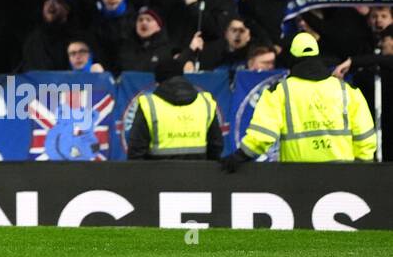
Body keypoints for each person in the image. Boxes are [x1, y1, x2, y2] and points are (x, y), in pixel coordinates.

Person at [224, 32, 377, 167]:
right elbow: (365, 136)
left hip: (297, 179)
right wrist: (362, 167)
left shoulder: (279, 92)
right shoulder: (346, 91)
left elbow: (263, 135)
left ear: (292, 58)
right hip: (343, 176)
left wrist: (239, 156)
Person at [127, 53, 223, 159]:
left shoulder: (149, 105)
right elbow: (216, 146)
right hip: (197, 173)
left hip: (158, 174)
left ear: (157, 83)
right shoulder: (205, 103)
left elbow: (136, 151)